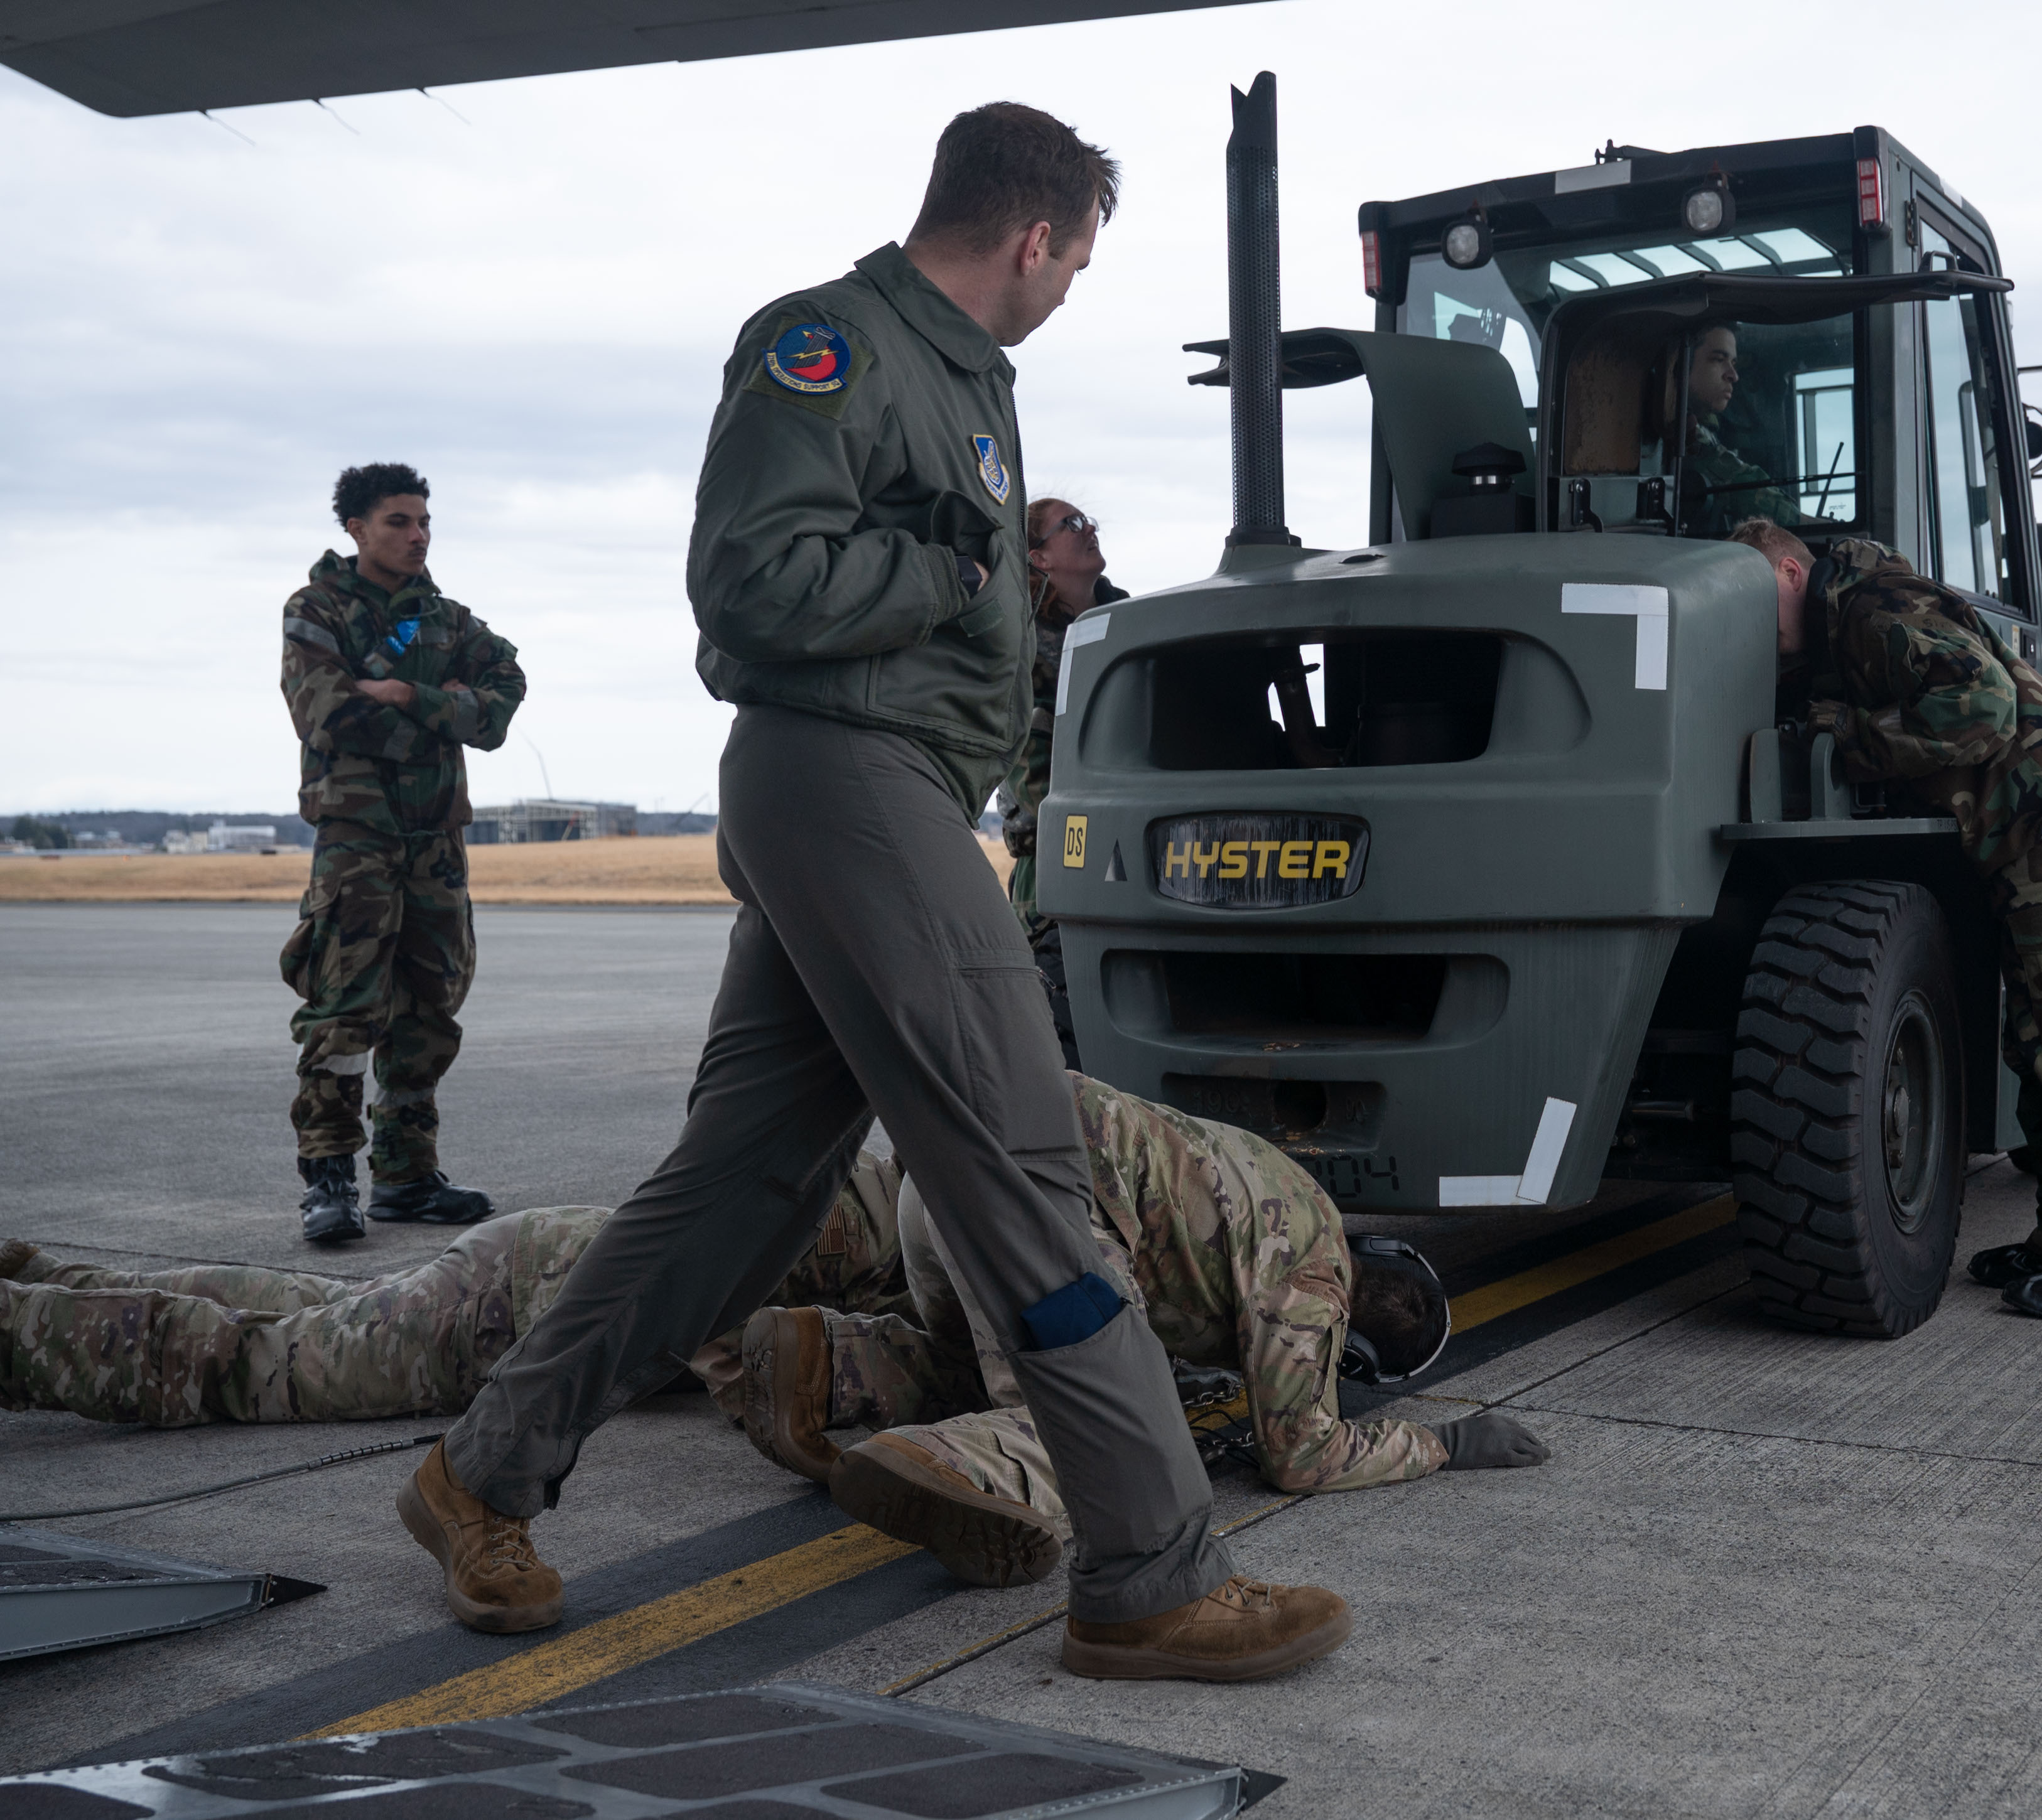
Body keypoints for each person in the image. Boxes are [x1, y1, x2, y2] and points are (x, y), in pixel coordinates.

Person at [395, 102, 1351, 1683]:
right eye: (1075, 262)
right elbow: (746, 588)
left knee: (739, 1190)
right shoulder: (827, 346)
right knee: (1020, 1162)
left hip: (887, 789)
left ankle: (477, 1478)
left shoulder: (966, 380)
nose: (1068, 291)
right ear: (1033, 234)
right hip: (844, 776)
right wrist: (950, 574)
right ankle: (1150, 1572)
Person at [726, 1074, 1548, 1591]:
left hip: (961, 1158)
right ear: (1351, 1349)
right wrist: (1447, 1443)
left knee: (968, 1359)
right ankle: (956, 1464)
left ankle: (825, 1363)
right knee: (1100, 1415)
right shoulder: (1311, 1287)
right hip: (1038, 1198)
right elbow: (1301, 1454)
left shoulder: (1299, 1192)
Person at [1729, 520, 2042, 1320]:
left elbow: (1982, 707)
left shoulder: (1876, 607)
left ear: (1794, 573)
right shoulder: (1847, 627)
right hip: (2036, 841)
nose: (1751, 627)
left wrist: (1851, 739)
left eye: (1755, 598)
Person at [0, 1149, 963, 1426]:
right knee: (254, 1366)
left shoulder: (922, 1185)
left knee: (300, 1306)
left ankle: (43, 1276)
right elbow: (735, 1338)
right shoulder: (920, 1233)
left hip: (548, 1265)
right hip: (537, 1306)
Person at [279, 464, 525, 1244]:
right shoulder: (316, 609)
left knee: (430, 1008)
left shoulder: (449, 620)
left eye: (424, 521)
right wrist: (444, 717)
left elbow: (503, 700)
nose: (418, 534)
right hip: (358, 842)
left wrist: (411, 697)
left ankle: (407, 1174)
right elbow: (327, 715)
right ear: (355, 527)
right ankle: (328, 1179)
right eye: (398, 521)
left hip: (436, 843)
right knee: (344, 1012)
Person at [995, 498, 1128, 1065]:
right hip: (1056, 859)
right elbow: (1031, 772)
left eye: (1089, 520)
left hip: (1128, 853)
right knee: (1055, 1043)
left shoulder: (1125, 621)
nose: (1088, 529)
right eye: (1070, 525)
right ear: (1038, 557)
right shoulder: (1025, 641)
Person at [1668, 326, 1800, 533]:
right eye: (1719, 359)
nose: (1733, 375)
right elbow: (1749, 492)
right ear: (1680, 363)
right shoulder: (1681, 429)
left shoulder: (1705, 426)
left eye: (1733, 363)